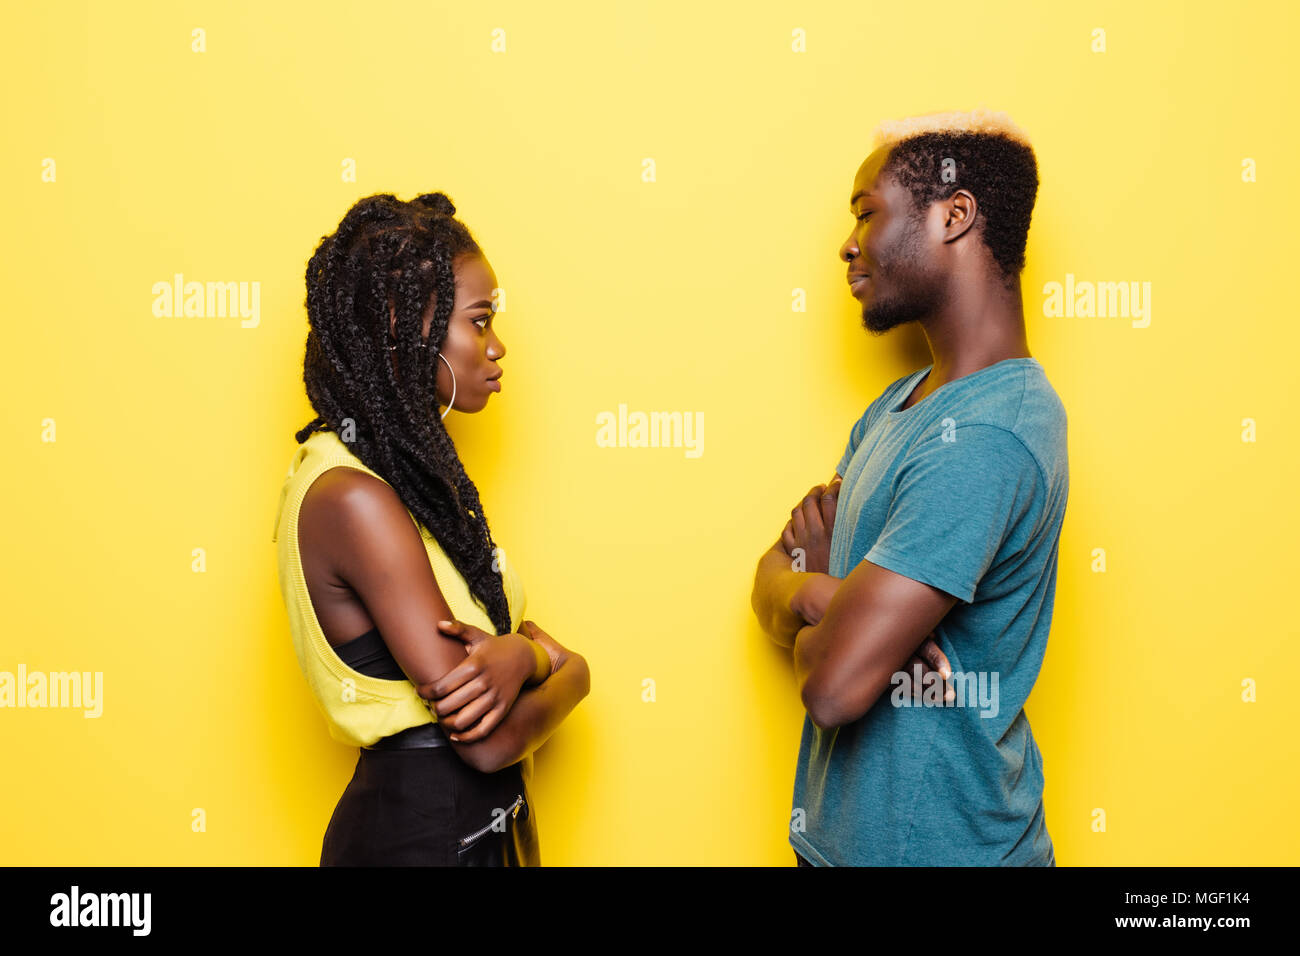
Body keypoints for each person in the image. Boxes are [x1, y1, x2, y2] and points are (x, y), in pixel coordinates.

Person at [750, 109, 1068, 866]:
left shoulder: (990, 434)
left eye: (867, 212)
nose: (848, 244)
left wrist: (831, 616)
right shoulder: (899, 409)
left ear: (955, 214)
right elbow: (768, 588)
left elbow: (830, 689)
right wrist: (821, 599)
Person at [271, 192, 590, 866]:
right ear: (405, 326)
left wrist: (521, 659)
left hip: (473, 827)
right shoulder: (351, 497)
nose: (497, 346)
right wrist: (558, 666)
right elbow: (484, 739)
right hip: (420, 836)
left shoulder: (407, 481)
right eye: (479, 321)